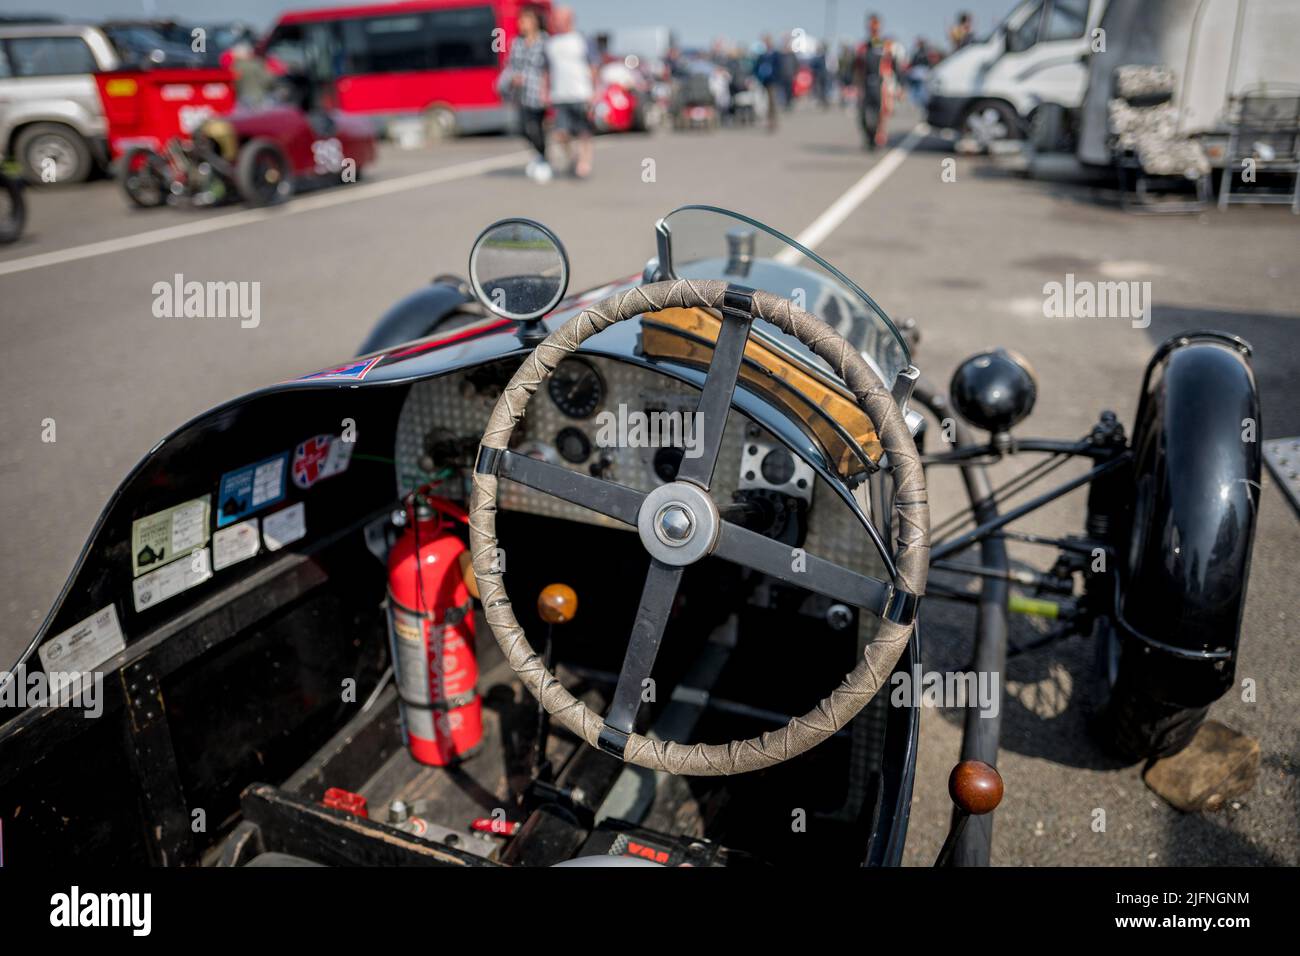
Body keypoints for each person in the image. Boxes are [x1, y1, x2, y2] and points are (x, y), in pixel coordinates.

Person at [498, 5, 551, 182]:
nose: (521, 24)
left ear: (535, 21)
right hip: (520, 93)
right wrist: (511, 80)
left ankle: (543, 159)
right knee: (522, 127)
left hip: (538, 92)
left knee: (537, 127)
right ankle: (541, 156)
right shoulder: (516, 42)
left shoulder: (545, 41)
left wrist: (547, 89)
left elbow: (548, 68)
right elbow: (511, 66)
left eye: (525, 20)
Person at [545, 6, 596, 178]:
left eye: (559, 18)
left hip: (581, 93)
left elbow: (593, 66)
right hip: (559, 95)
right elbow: (546, 70)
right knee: (561, 133)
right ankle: (573, 157)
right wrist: (544, 91)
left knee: (584, 132)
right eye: (555, 18)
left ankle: (584, 162)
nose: (555, 21)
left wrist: (594, 91)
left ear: (569, 19)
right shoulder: (551, 43)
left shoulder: (582, 40)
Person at [854, 14, 896, 151]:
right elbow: (856, 67)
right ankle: (868, 136)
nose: (873, 28)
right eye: (871, 25)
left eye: (876, 25)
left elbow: (893, 66)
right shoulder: (863, 47)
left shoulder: (885, 46)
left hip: (881, 83)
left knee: (881, 112)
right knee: (863, 114)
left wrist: (895, 86)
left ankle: (877, 137)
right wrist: (855, 85)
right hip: (866, 83)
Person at [754, 35, 782, 132]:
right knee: (764, 102)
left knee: (772, 101)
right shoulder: (762, 56)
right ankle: (768, 120)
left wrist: (774, 74)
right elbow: (756, 67)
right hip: (763, 81)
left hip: (772, 81)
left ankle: (772, 121)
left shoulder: (776, 54)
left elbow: (779, 67)